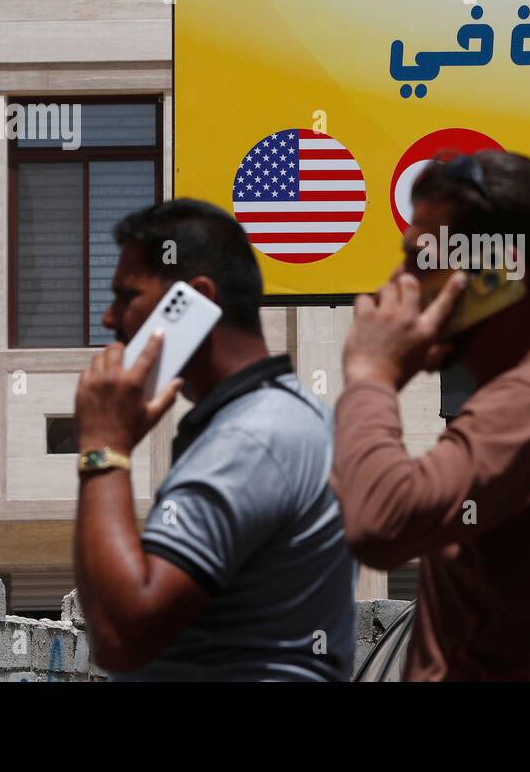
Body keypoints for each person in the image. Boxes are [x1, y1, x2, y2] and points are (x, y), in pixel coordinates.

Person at [331, 151, 530, 681]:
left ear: (496, 274)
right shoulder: (526, 392)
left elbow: (380, 523)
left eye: (422, 258)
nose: (400, 280)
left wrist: (371, 378)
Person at [72, 198, 353, 680]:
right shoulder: (276, 418)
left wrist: (103, 449)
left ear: (194, 301)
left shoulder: (253, 438)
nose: (109, 319)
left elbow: (120, 637)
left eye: (127, 296)